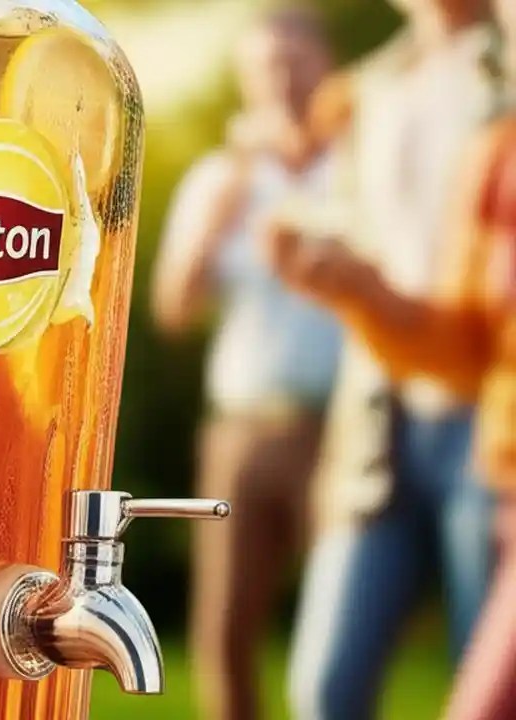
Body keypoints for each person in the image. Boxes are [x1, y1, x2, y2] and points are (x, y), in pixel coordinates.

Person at [269, 0, 516, 714]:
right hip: (387, 398)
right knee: (325, 687)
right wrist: (344, 280)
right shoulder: (366, 91)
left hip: (486, 418)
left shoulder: (497, 84)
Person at [151, 8, 341, 720]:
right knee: (225, 625)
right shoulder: (219, 179)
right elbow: (174, 309)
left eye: (294, 63)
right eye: (266, 69)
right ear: (247, 82)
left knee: (338, 625)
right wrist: (215, 220)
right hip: (243, 429)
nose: (283, 82)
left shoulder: (353, 168)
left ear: (321, 63)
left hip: (340, 428)